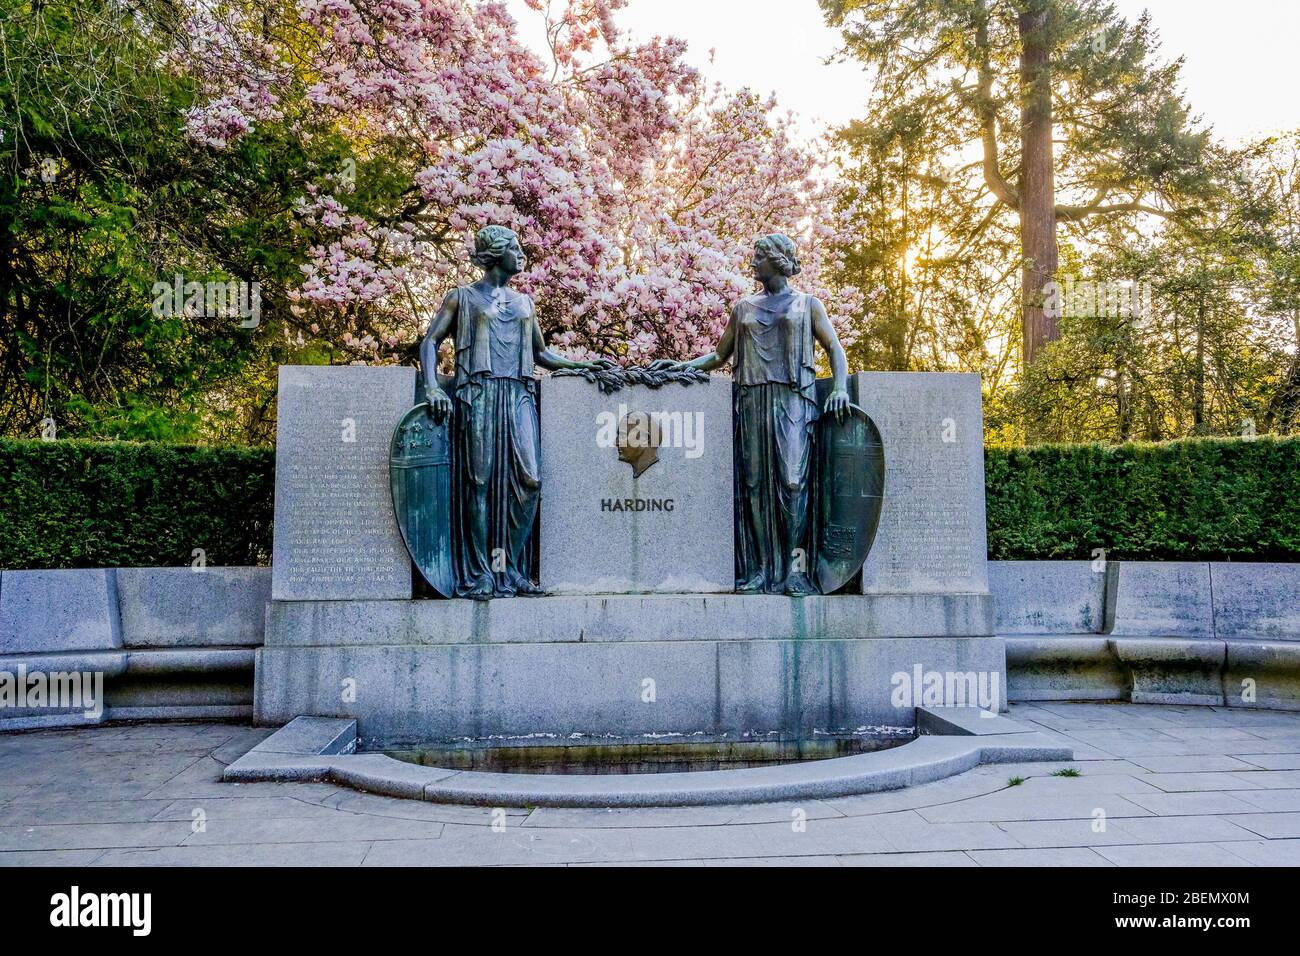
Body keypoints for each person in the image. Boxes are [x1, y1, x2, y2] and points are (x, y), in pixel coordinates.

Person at [419, 225, 613, 598]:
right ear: (496, 256)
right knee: (479, 483)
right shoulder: (461, 298)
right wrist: (431, 385)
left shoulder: (525, 303)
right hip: (478, 393)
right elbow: (431, 341)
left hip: (518, 393)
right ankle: (481, 573)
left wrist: (582, 366)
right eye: (515, 248)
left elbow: (541, 355)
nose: (522, 254)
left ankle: (509, 568)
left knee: (529, 480)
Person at [650, 234, 849, 595]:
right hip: (752, 399)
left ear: (777, 260)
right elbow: (717, 357)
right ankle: (759, 568)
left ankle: (794, 568)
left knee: (792, 481)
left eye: (759, 257)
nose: (753, 262)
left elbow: (834, 346)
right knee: (755, 486)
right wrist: (680, 367)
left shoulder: (808, 305)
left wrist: (839, 388)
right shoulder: (743, 308)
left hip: (793, 399)